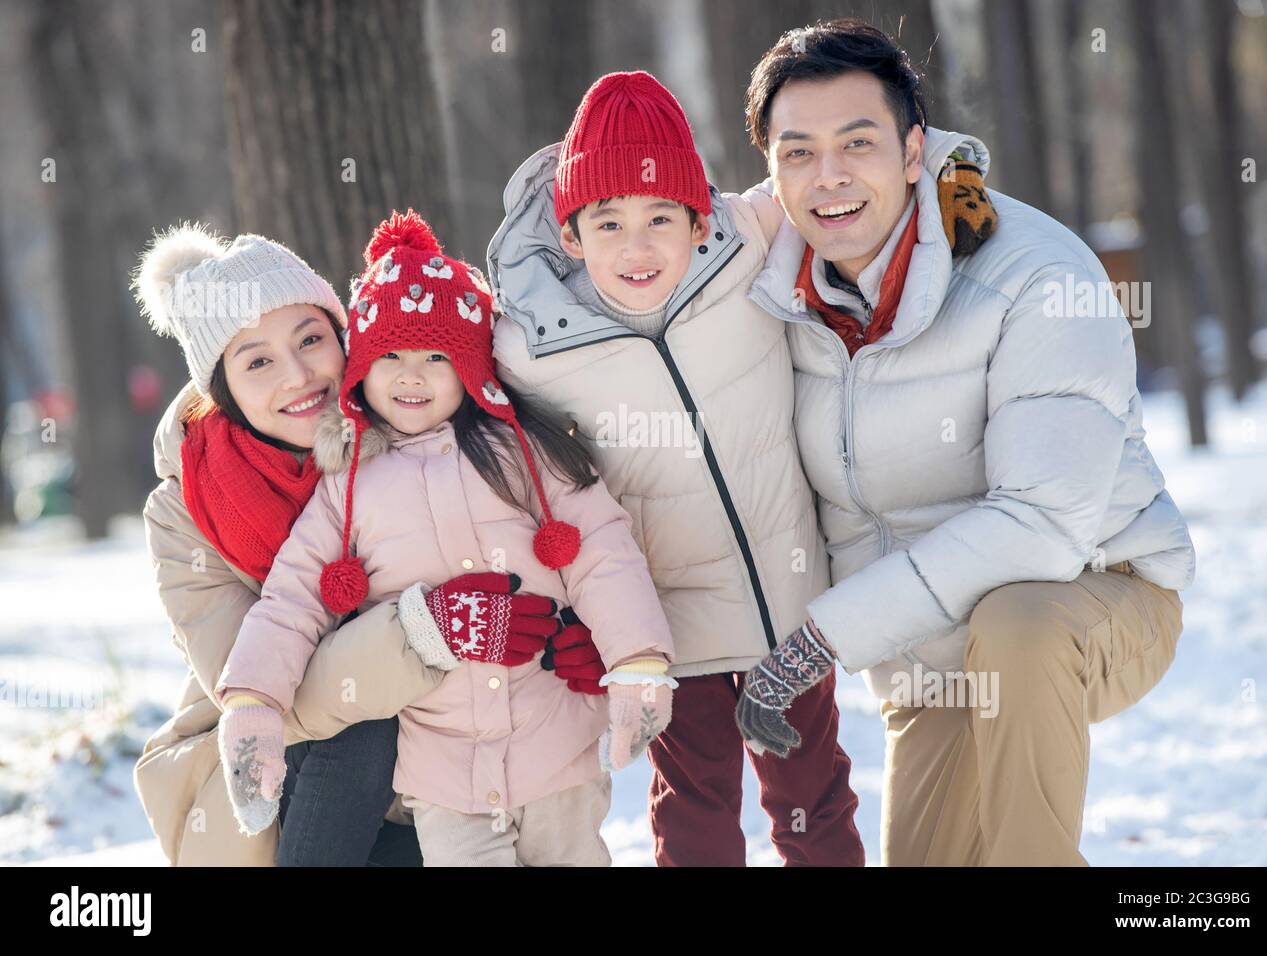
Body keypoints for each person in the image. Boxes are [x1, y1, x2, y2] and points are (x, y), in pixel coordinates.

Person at [734, 18, 1194, 866]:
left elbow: (1042, 522)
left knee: (1018, 627)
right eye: (797, 153)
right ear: (770, 174)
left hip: (1092, 597)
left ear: (914, 152)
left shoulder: (1037, 277)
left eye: (857, 143)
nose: (828, 177)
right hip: (927, 663)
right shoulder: (768, 287)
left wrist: (822, 639)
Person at [214, 210, 676, 866]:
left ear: (471, 366)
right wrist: (253, 703)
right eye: (391, 357)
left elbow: (602, 548)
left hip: (555, 748)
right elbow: (289, 601)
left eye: (437, 356)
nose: (412, 375)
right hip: (442, 770)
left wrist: (636, 659)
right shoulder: (348, 484)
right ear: (362, 370)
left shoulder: (523, 456)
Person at [488, 71, 864, 866]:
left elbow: (832, 180)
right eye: (609, 221)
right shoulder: (528, 347)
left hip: (788, 614)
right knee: (694, 815)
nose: (638, 245)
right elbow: (419, 382)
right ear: (569, 234)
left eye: (663, 217)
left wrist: (945, 164)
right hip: (667, 630)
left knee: (815, 802)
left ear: (700, 221)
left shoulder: (751, 247)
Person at [131, 222, 586, 865]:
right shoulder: (186, 510)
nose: (298, 377)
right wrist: (423, 632)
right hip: (270, 791)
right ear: (223, 389)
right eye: (257, 360)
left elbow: (529, 542)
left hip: (438, 779)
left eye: (311, 340)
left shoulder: (413, 426)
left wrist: (575, 634)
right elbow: (273, 703)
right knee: (363, 722)